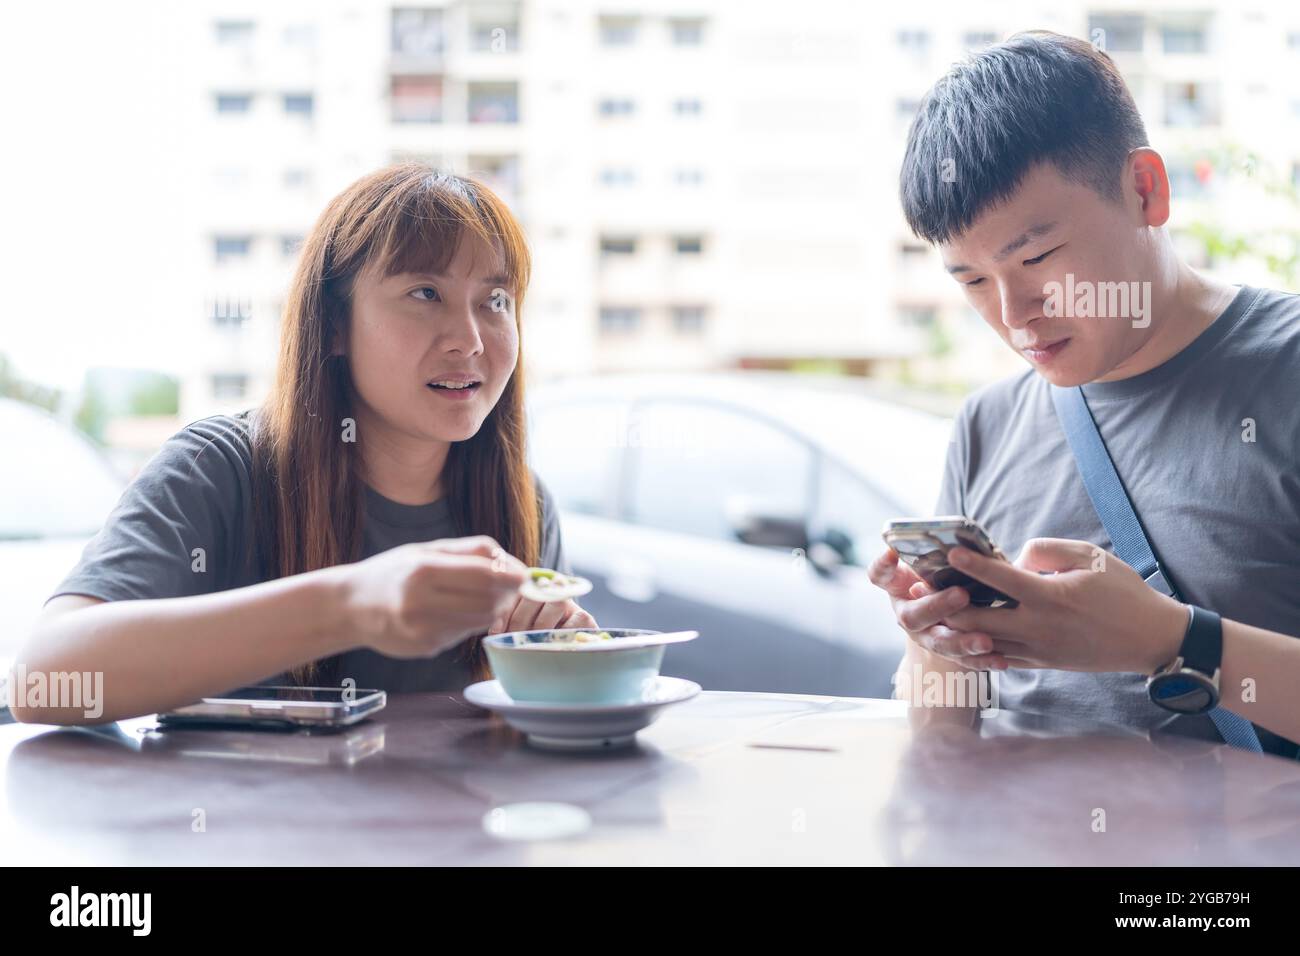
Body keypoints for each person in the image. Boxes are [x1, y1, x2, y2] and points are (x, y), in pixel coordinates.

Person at [11, 164, 595, 726]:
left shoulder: (524, 502)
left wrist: (565, 662)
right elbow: (43, 683)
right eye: (424, 293)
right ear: (334, 324)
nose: (469, 341)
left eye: (494, 301)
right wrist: (350, 605)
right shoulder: (218, 470)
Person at [870, 31, 1300, 757]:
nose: (1013, 314)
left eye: (1036, 257)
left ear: (1145, 190)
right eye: (971, 280)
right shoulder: (989, 422)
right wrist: (940, 643)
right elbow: (945, 736)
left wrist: (1173, 641)